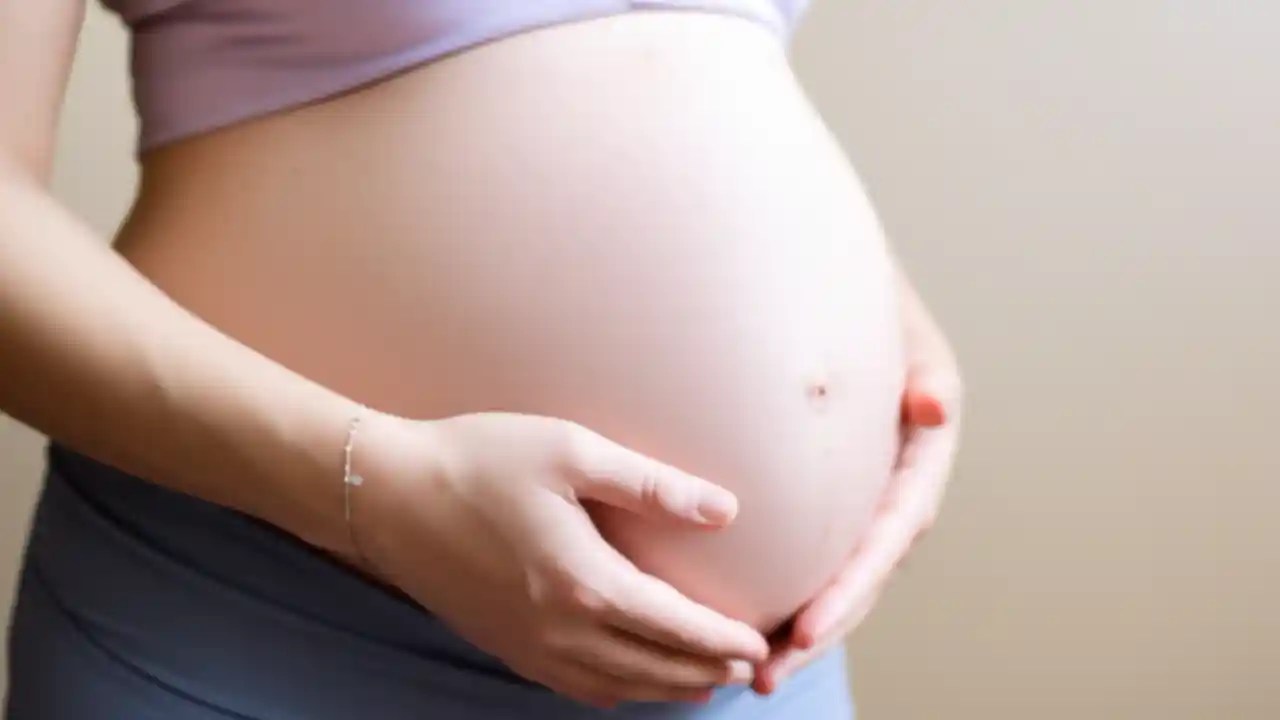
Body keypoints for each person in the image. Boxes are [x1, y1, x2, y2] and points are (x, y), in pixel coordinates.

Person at [0, 1, 962, 718]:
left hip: (742, 677)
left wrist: (900, 348)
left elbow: (700, 62)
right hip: (269, 618)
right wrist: (377, 491)